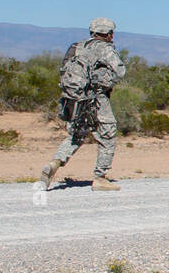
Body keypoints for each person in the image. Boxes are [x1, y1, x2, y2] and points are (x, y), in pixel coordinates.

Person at [40, 17, 127, 191]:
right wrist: (105, 82)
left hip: (74, 98)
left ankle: (55, 162)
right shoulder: (105, 48)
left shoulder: (77, 47)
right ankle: (100, 177)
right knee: (108, 134)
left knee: (76, 135)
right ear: (109, 34)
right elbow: (120, 71)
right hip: (96, 98)